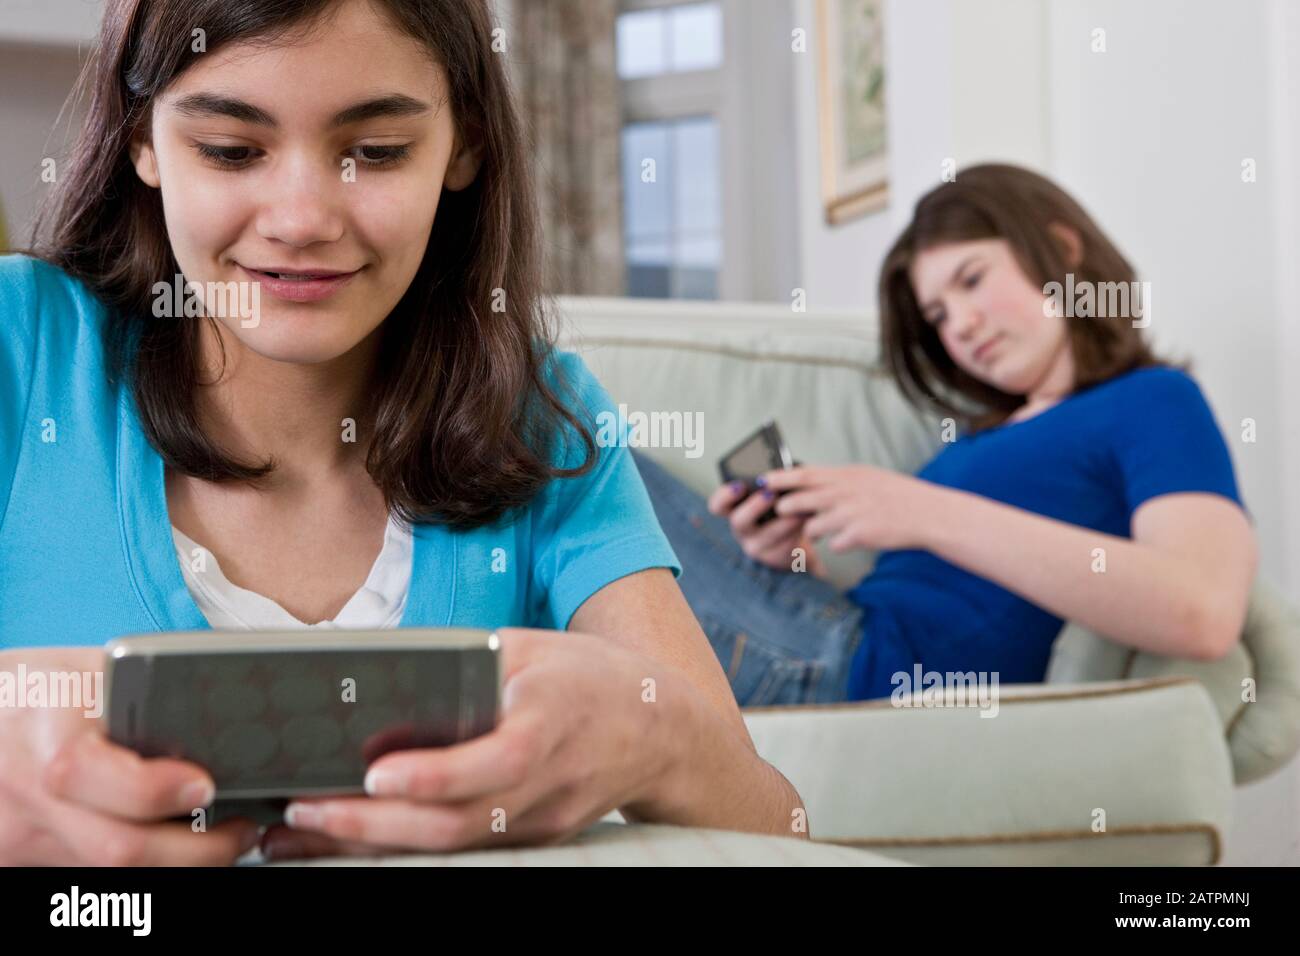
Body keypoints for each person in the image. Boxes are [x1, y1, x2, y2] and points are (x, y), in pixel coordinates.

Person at [0, 0, 807, 865]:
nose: (302, 217)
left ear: (462, 146)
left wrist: (654, 734)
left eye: (375, 152)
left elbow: (780, 830)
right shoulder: (24, 350)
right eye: (231, 151)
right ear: (143, 143)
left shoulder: (540, 416)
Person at [633, 163, 1258, 707]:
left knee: (562, 438)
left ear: (1062, 251)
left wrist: (920, 512)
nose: (958, 325)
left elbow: (1203, 609)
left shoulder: (1152, 399)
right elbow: (925, 602)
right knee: (577, 453)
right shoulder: (982, 437)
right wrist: (793, 558)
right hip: (822, 633)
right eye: (937, 314)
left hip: (845, 668)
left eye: (971, 280)